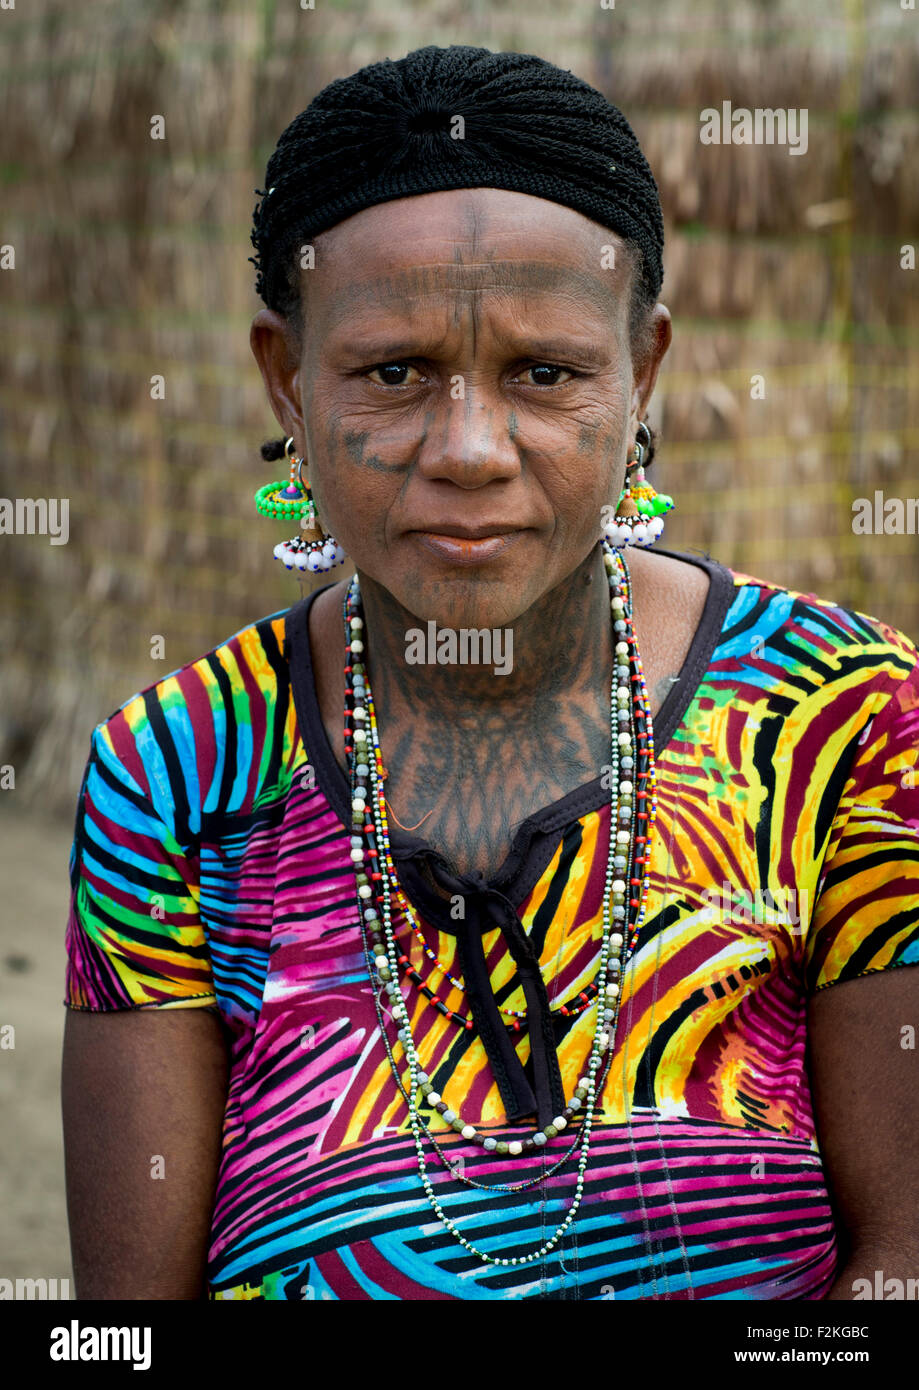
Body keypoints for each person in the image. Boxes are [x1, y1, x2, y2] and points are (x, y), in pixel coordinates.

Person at [61, 44, 919, 1301]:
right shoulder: (173, 772)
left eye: (546, 372)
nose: (468, 449)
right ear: (288, 382)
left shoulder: (846, 716)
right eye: (393, 371)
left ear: (644, 378)